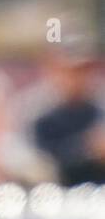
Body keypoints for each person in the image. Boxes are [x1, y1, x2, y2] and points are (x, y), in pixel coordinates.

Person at [26, 38, 105, 187]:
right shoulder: (40, 116)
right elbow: (44, 168)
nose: (78, 77)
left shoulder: (100, 110)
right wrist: (90, 149)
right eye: (71, 71)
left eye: (84, 70)